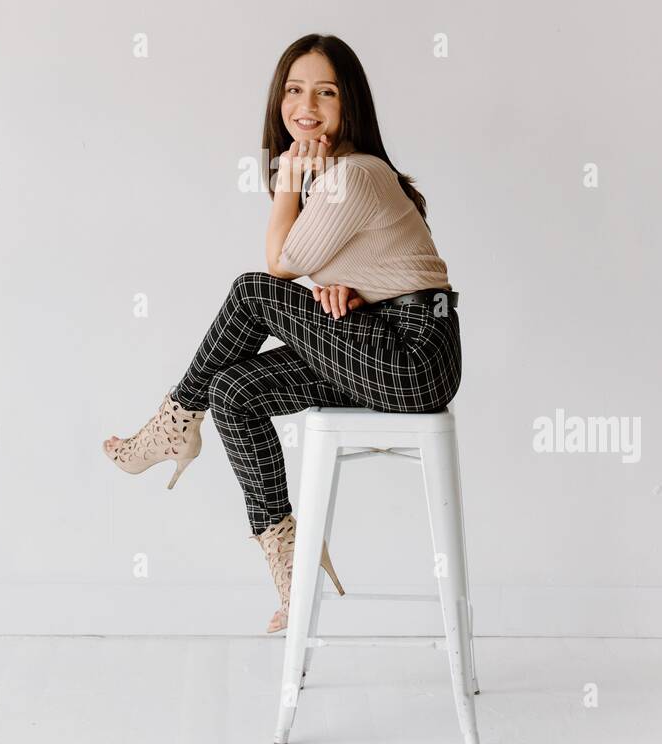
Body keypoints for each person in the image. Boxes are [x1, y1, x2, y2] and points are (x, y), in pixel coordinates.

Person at [102, 33, 461, 633]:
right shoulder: (338, 182)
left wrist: (290, 175)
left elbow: (280, 266)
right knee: (235, 392)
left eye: (326, 92)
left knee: (251, 292)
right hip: (381, 340)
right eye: (295, 91)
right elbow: (360, 267)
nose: (307, 107)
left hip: (416, 352)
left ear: (351, 106)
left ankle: (173, 425)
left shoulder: (354, 175)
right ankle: (293, 570)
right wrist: (346, 291)